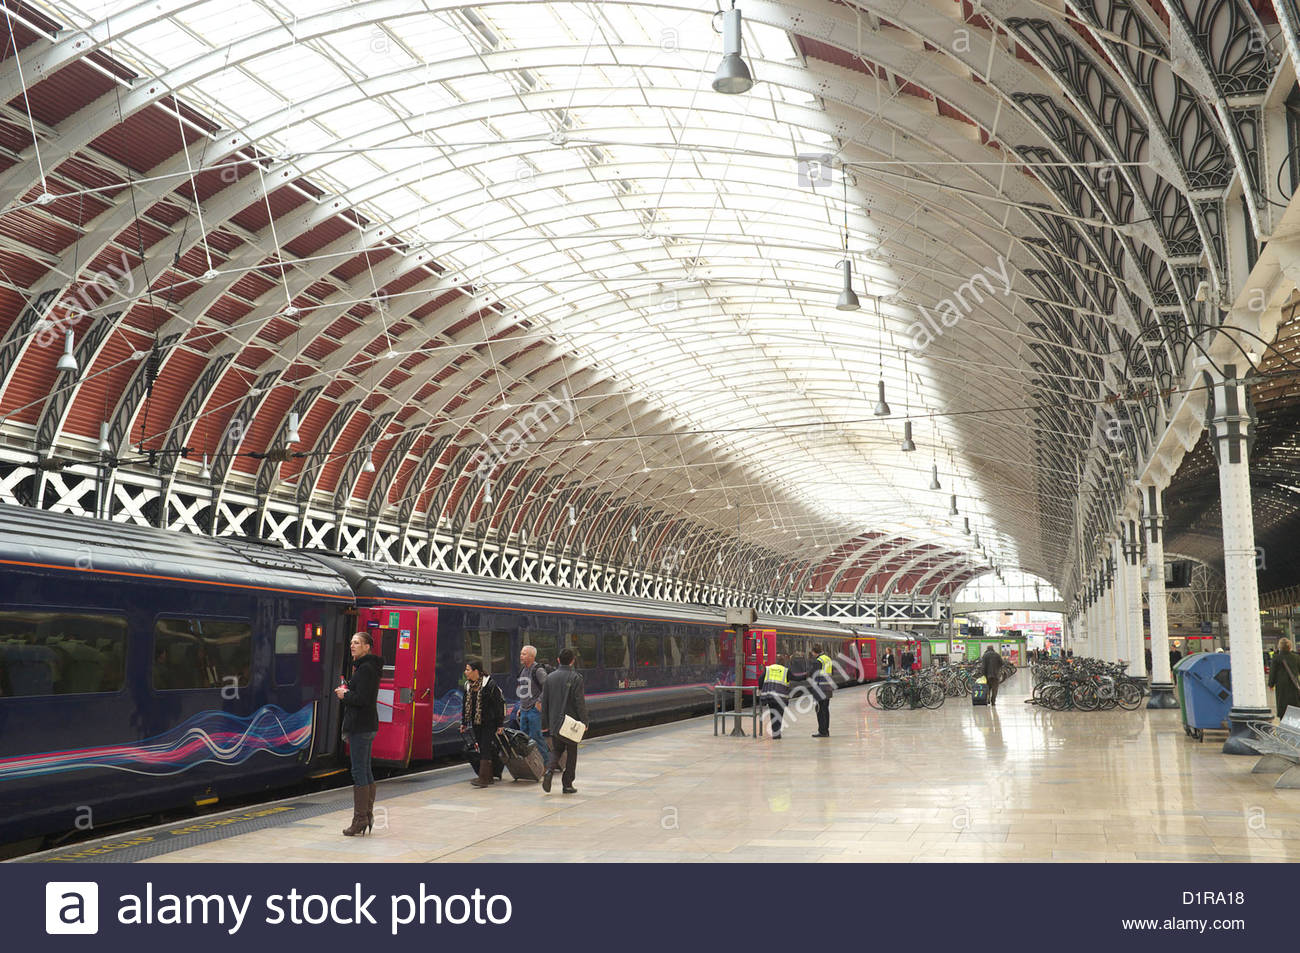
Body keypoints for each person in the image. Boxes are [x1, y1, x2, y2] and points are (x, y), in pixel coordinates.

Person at [334, 631, 381, 836]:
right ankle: (367, 815)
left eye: (357, 643)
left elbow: (362, 699)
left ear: (367, 647)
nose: (352, 645)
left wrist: (345, 694)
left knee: (359, 771)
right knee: (366, 770)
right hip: (367, 725)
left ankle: (360, 818)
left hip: (360, 726)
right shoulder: (369, 668)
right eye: (351, 642)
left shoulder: (365, 670)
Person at [540, 648, 589, 794]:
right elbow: (579, 703)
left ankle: (549, 771)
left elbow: (545, 703)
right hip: (571, 723)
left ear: (558, 660)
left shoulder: (549, 678)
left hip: (555, 723)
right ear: (573, 661)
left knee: (557, 750)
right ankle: (567, 784)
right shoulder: (576, 678)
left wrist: (544, 725)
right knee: (572, 753)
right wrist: (585, 722)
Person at [461, 658, 505, 788]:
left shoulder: (489, 685)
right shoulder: (468, 685)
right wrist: (464, 722)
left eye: (468, 669)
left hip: (489, 722)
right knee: (481, 746)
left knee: (485, 747)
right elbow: (465, 705)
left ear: (476, 671)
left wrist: (500, 724)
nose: (465, 672)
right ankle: (489, 775)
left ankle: (484, 778)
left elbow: (498, 705)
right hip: (476, 721)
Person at [516, 645, 548, 753]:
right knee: (524, 738)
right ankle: (531, 765)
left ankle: (545, 763)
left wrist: (539, 702)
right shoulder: (522, 671)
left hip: (534, 710)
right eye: (521, 653)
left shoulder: (538, 670)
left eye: (524, 654)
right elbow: (523, 690)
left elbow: (547, 687)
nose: (521, 656)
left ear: (532, 656)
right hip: (524, 710)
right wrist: (521, 706)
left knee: (536, 737)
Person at [757, 653, 792, 738]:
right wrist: (806, 675)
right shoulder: (786, 670)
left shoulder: (768, 669)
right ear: (783, 662)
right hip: (781, 697)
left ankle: (775, 732)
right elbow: (795, 678)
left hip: (770, 696)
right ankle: (777, 733)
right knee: (779, 714)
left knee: (773, 713)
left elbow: (760, 679)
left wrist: (760, 688)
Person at [1267, 638, 1300, 721]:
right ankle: (1294, 727)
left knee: (1283, 707)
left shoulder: (1276, 658)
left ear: (1280, 647)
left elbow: (1273, 672)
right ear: (1290, 647)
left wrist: (1271, 684)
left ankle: (1283, 727)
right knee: (1294, 707)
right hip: (1294, 685)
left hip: (1281, 686)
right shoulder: (1296, 657)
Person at [809, 644, 834, 738]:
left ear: (814, 652)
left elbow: (812, 673)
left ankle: (822, 732)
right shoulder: (827, 659)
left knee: (820, 710)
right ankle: (826, 731)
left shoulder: (818, 661)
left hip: (820, 689)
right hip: (828, 688)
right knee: (825, 710)